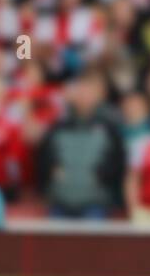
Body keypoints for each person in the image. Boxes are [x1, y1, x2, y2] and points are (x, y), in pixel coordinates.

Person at [36, 73, 125, 220]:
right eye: (81, 91)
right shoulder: (57, 127)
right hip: (60, 202)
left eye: (89, 92)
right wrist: (51, 170)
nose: (84, 96)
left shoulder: (110, 128)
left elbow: (117, 162)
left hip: (95, 204)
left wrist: (101, 176)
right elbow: (43, 158)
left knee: (94, 243)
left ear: (98, 96)